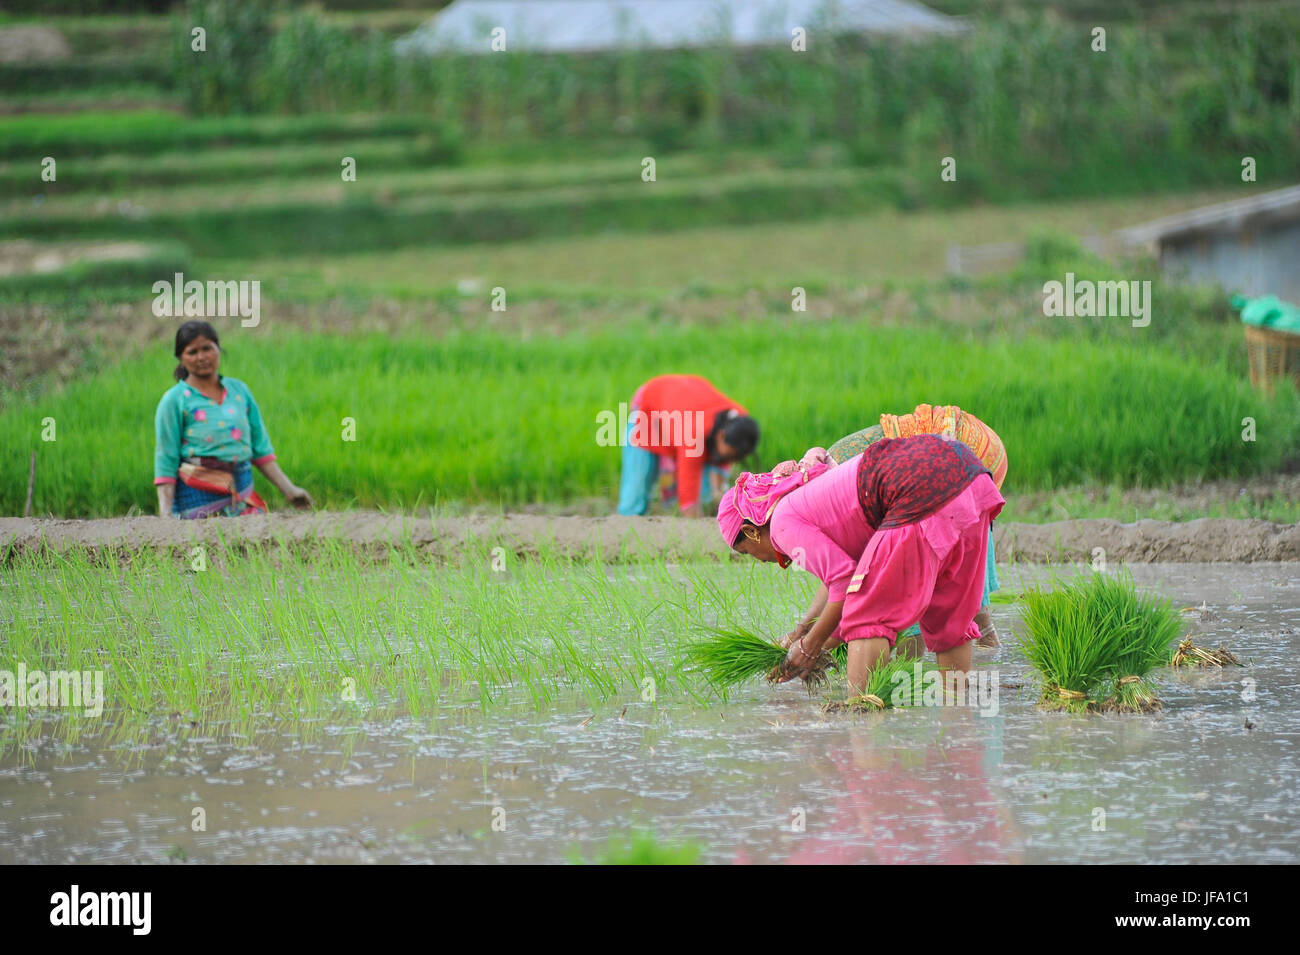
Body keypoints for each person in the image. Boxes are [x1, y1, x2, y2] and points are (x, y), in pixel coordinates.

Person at [717, 434, 1004, 695]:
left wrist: (809, 646)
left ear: (753, 532)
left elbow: (845, 585)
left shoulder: (781, 525)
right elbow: (838, 582)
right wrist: (805, 637)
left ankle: (861, 722)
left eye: (749, 553)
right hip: (967, 470)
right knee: (949, 622)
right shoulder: (806, 499)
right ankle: (960, 728)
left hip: (919, 485)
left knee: (866, 616)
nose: (763, 561)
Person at [827, 404, 1008, 647]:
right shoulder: (827, 472)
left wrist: (810, 643)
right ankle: (989, 648)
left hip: (963, 452)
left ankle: (916, 666)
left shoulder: (828, 491)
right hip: (978, 449)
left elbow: (858, 571)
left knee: (910, 573)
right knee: (964, 559)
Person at [153, 321, 313, 519]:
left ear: (218, 349)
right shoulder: (175, 399)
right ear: (180, 358)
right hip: (197, 502)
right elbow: (166, 457)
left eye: (207, 348)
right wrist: (166, 516)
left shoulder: (239, 391)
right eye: (192, 352)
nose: (201, 357)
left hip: (242, 498)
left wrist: (290, 490)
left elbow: (260, 449)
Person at [617, 374, 759, 517]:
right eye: (731, 456)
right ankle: (624, 529)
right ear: (720, 435)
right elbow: (689, 498)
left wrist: (719, 493)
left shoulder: (740, 423)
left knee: (707, 495)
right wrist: (697, 530)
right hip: (649, 406)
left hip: (681, 404)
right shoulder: (693, 435)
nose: (733, 461)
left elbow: (721, 467)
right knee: (636, 495)